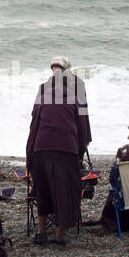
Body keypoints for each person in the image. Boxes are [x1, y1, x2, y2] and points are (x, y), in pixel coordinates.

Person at [25, 57, 91, 245]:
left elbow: (34, 124)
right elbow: (83, 123)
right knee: (66, 190)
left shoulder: (43, 91)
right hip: (66, 148)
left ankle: (41, 231)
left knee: (42, 189)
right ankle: (60, 235)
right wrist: (81, 149)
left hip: (41, 147)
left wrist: (29, 152)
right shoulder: (78, 90)